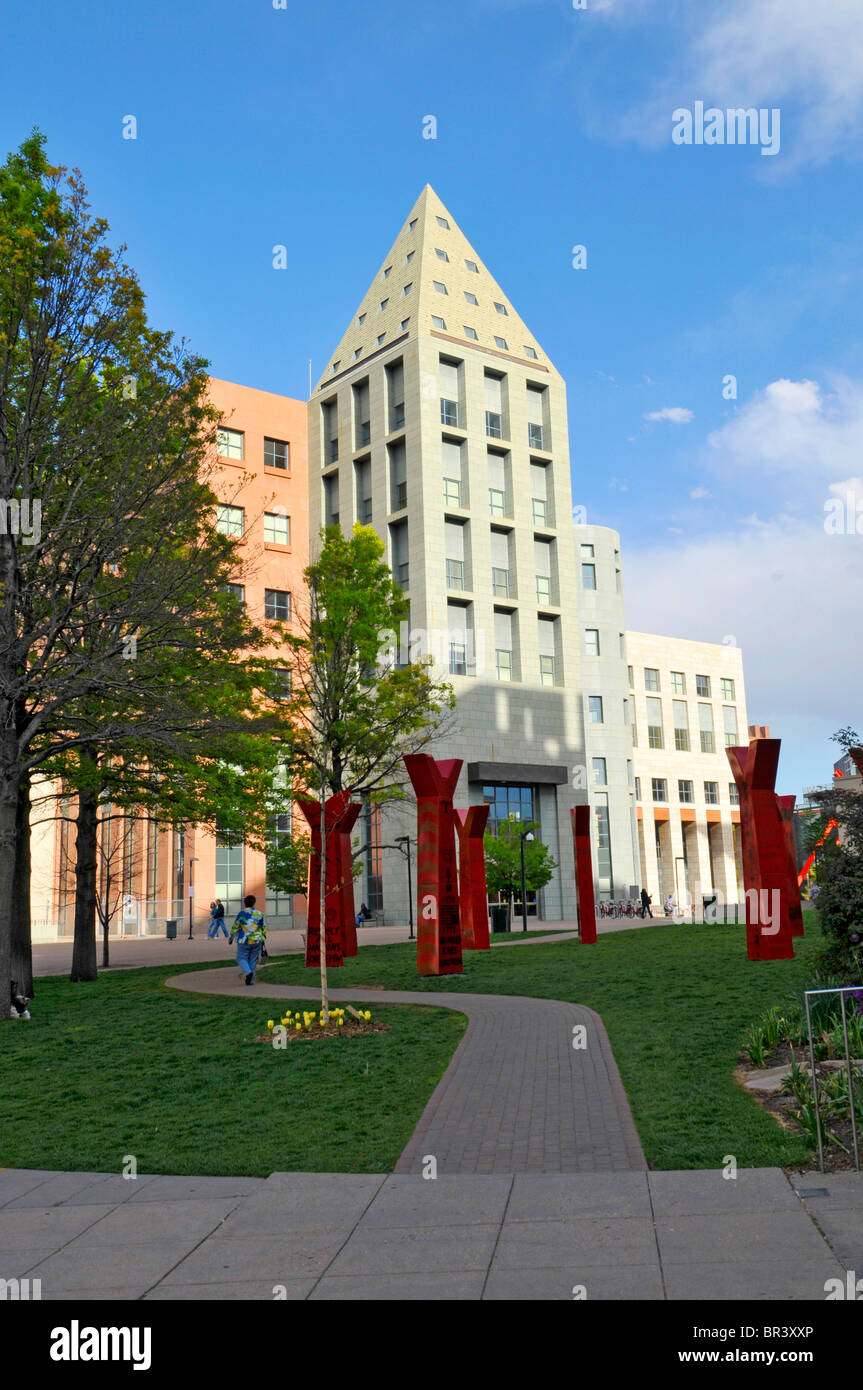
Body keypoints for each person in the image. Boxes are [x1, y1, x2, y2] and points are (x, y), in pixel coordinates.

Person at [229, 895, 267, 985]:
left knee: (241, 958)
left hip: (244, 940)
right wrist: (263, 938)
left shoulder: (241, 914)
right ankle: (251, 980)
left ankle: (247, 972)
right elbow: (264, 927)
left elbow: (235, 927)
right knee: (253, 960)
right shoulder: (260, 914)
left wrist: (231, 937)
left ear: (245, 903)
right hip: (257, 940)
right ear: (254, 902)